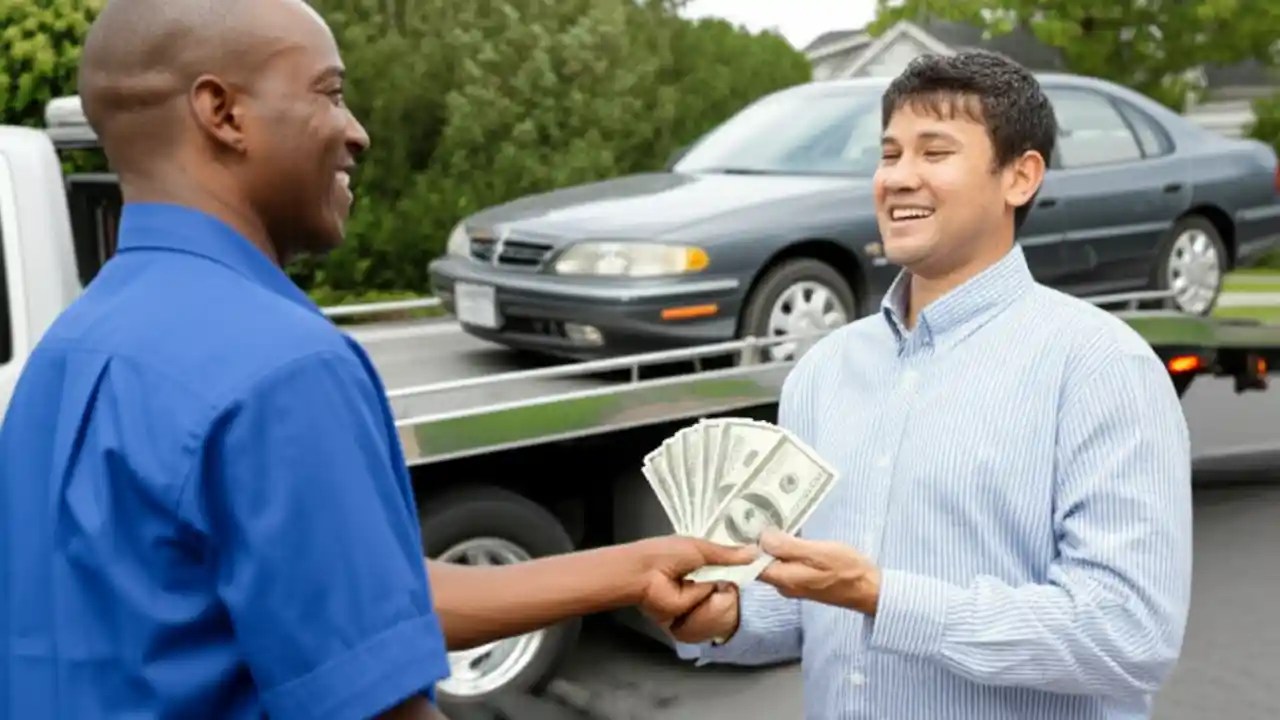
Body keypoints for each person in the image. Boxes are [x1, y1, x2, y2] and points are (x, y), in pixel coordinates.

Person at [0, 1, 754, 719]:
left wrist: (629, 570)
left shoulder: (67, 351)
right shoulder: (282, 366)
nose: (355, 132)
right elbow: (371, 705)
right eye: (329, 94)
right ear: (223, 113)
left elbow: (357, 603)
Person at [663, 52, 1194, 719]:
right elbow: (811, 607)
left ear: (1020, 177)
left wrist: (882, 595)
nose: (898, 179)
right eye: (888, 155)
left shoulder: (1099, 366)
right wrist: (724, 616)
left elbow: (1127, 635)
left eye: (934, 153)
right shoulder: (822, 372)